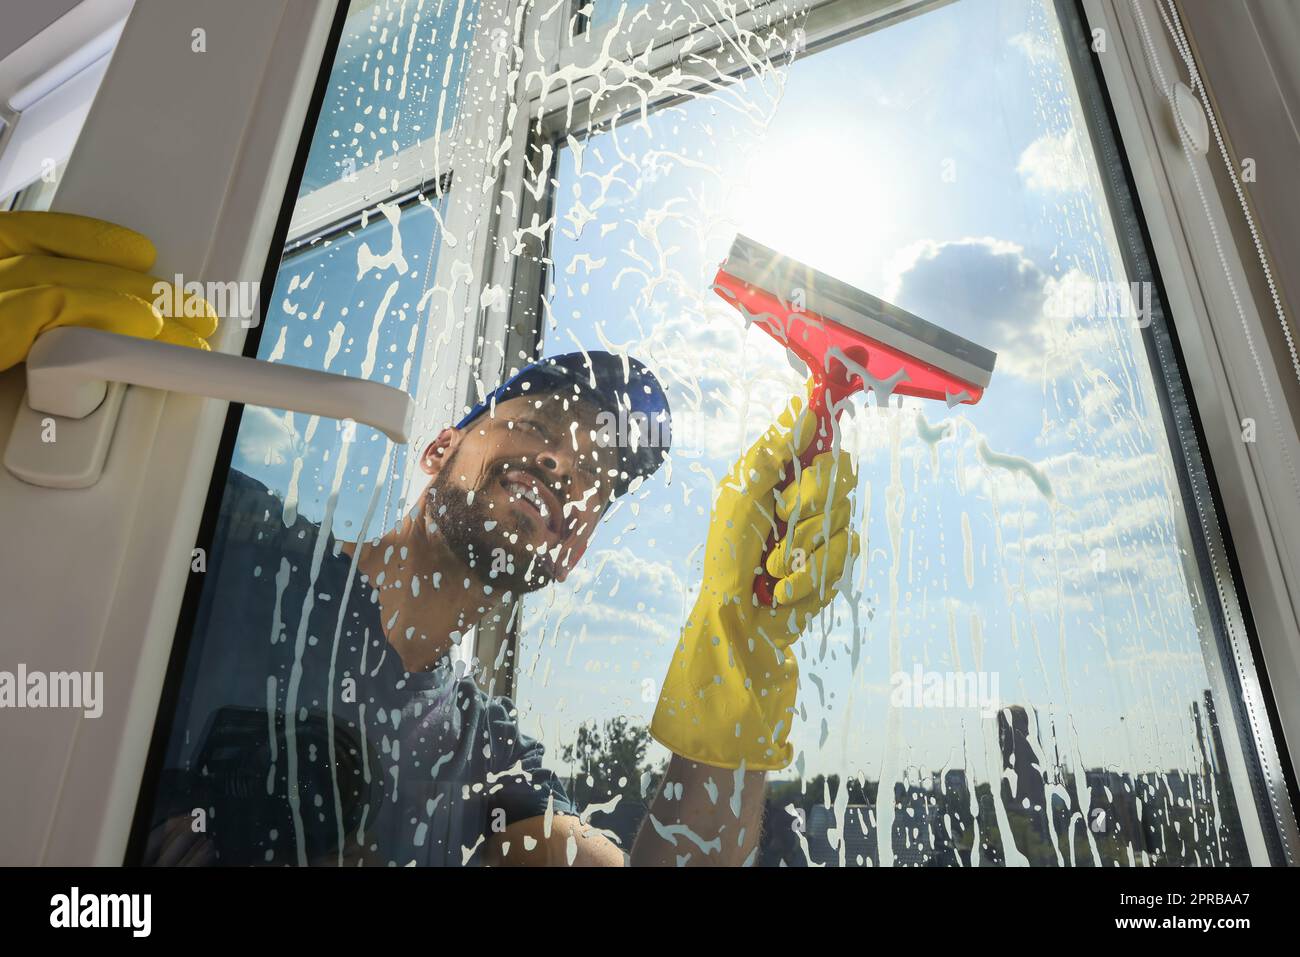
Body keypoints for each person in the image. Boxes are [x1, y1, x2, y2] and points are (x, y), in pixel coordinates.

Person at [1, 211, 859, 866]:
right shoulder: (228, 539)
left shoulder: (483, 759)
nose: (569, 466)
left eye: (601, 475)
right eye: (548, 422)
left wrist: (739, 644)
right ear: (441, 446)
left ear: (575, 552)